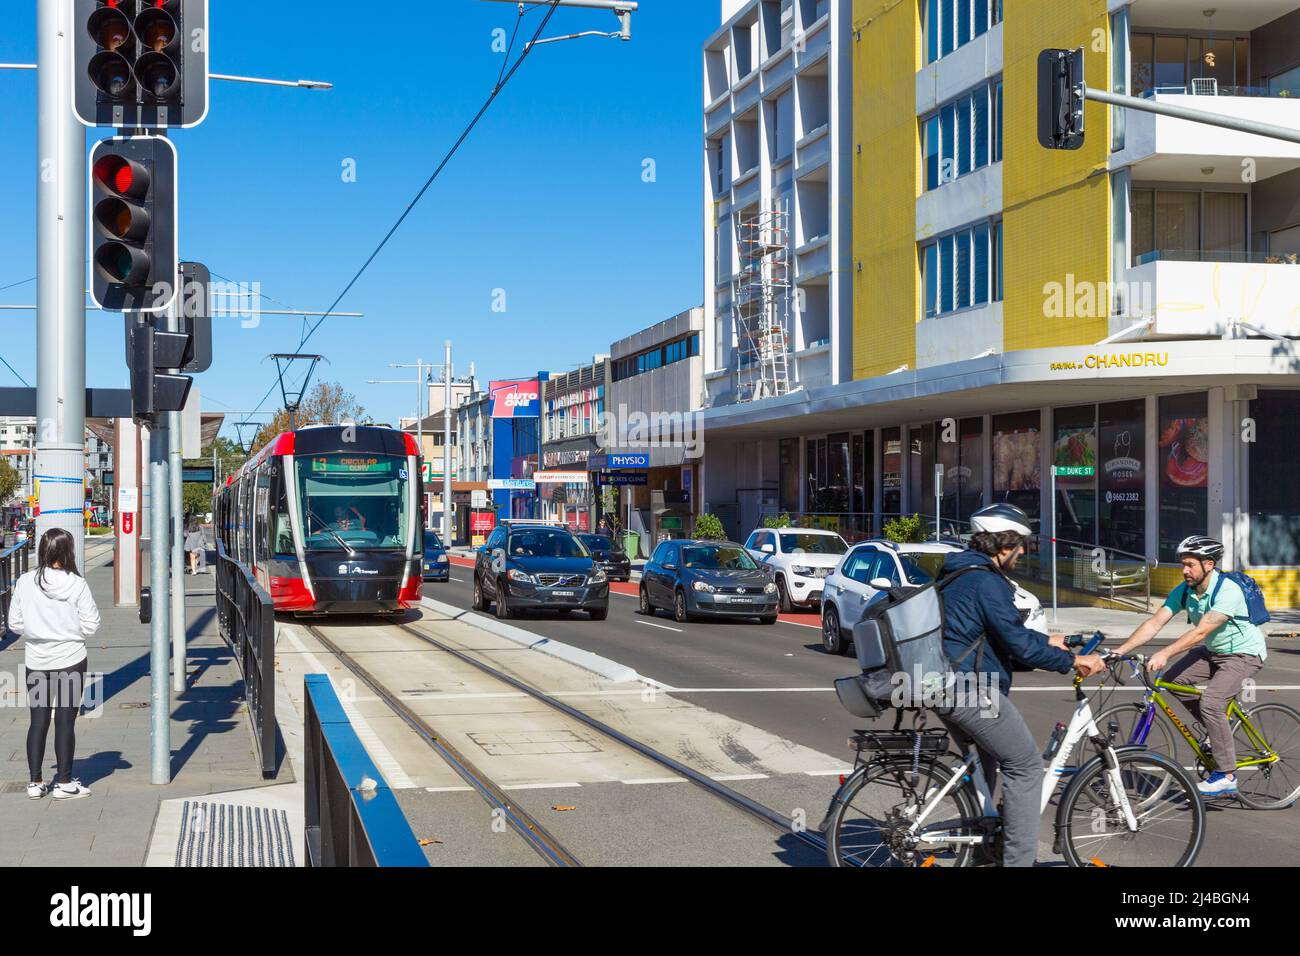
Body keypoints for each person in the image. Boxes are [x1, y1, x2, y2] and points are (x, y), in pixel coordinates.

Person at [936, 503, 1103, 867]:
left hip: (947, 684)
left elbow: (996, 633)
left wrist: (1048, 642)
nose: (1024, 551)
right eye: (1021, 544)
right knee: (1026, 767)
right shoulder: (987, 581)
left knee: (984, 765)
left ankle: (981, 852)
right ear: (1003, 543)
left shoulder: (960, 573)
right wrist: (1074, 661)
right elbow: (1019, 648)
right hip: (970, 690)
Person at [1080, 535, 1267, 797]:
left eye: (1190, 564)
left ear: (1209, 564)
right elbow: (1154, 624)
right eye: (1183, 564)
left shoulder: (1228, 591)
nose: (1184, 570)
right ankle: (1217, 731)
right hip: (1214, 651)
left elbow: (1200, 633)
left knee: (1211, 702)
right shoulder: (1185, 590)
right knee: (1174, 681)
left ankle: (1226, 775)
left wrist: (1165, 653)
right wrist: (1118, 652)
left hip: (1243, 654)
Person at [11, 528, 101, 800]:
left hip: (36, 659)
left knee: (37, 720)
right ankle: (64, 782)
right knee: (65, 721)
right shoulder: (77, 583)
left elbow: (14, 623)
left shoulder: (26, 581)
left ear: (43, 550)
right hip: (70, 659)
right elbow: (92, 624)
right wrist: (69, 631)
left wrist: (38, 632)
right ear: (67, 551)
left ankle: (36, 782)